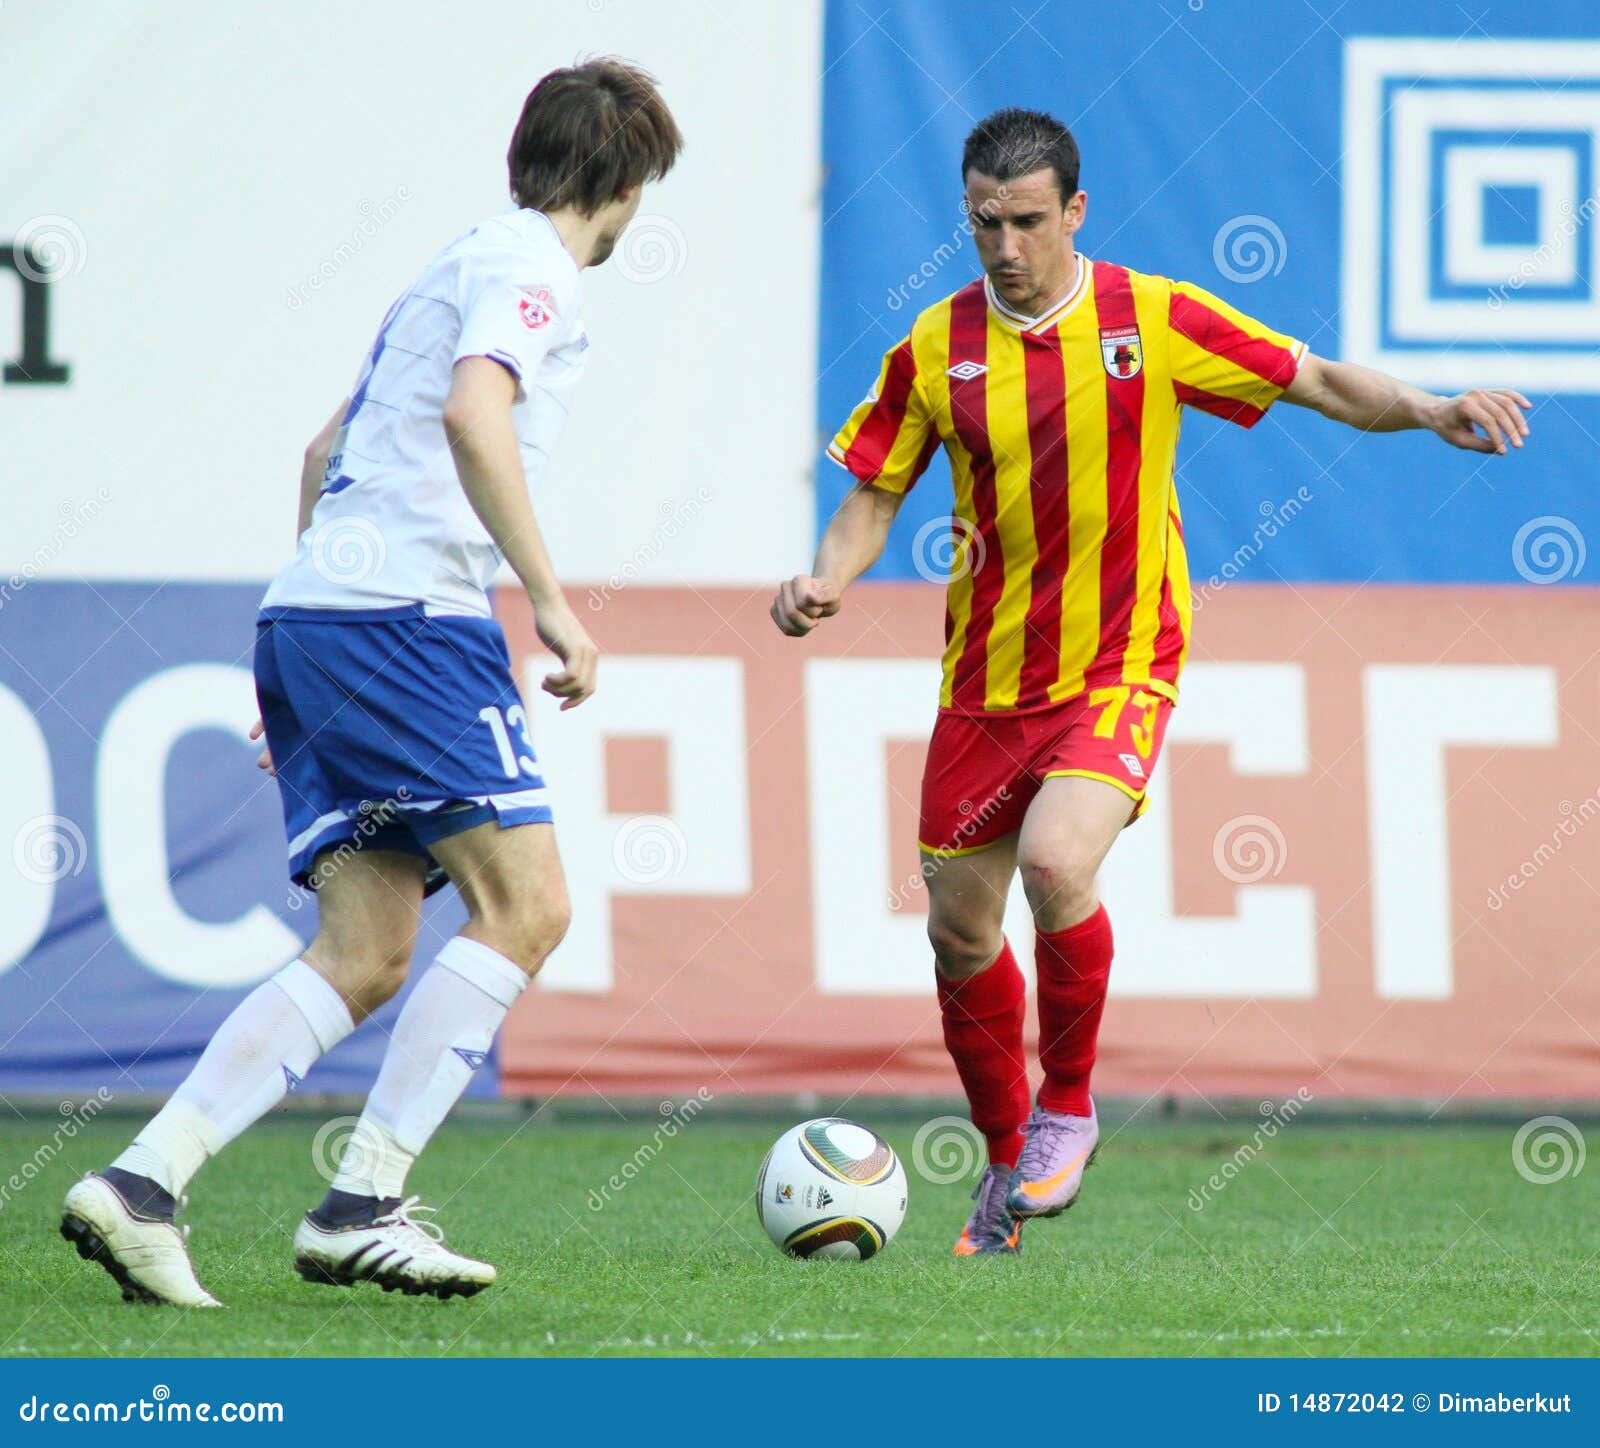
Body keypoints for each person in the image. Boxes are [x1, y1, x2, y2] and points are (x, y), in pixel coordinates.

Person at [772, 106, 1530, 1256]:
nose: (1006, 246)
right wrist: (824, 577)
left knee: (1054, 859)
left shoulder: (1154, 318)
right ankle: (1005, 1159)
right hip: (984, 683)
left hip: (1122, 661)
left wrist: (1430, 409)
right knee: (959, 933)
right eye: (984, 223)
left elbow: (1316, 380)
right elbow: (875, 490)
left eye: (1028, 221)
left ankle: (1069, 1105)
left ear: (1075, 211)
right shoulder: (934, 344)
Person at [61, 58, 683, 1305]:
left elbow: (322, 448)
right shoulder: (535, 270)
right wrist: (551, 599)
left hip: (319, 617)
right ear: (622, 184)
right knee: (528, 904)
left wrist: (310, 651)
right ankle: (362, 1202)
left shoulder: (450, 266)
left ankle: (142, 1181)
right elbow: (473, 415)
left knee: (368, 947)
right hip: (408, 619)